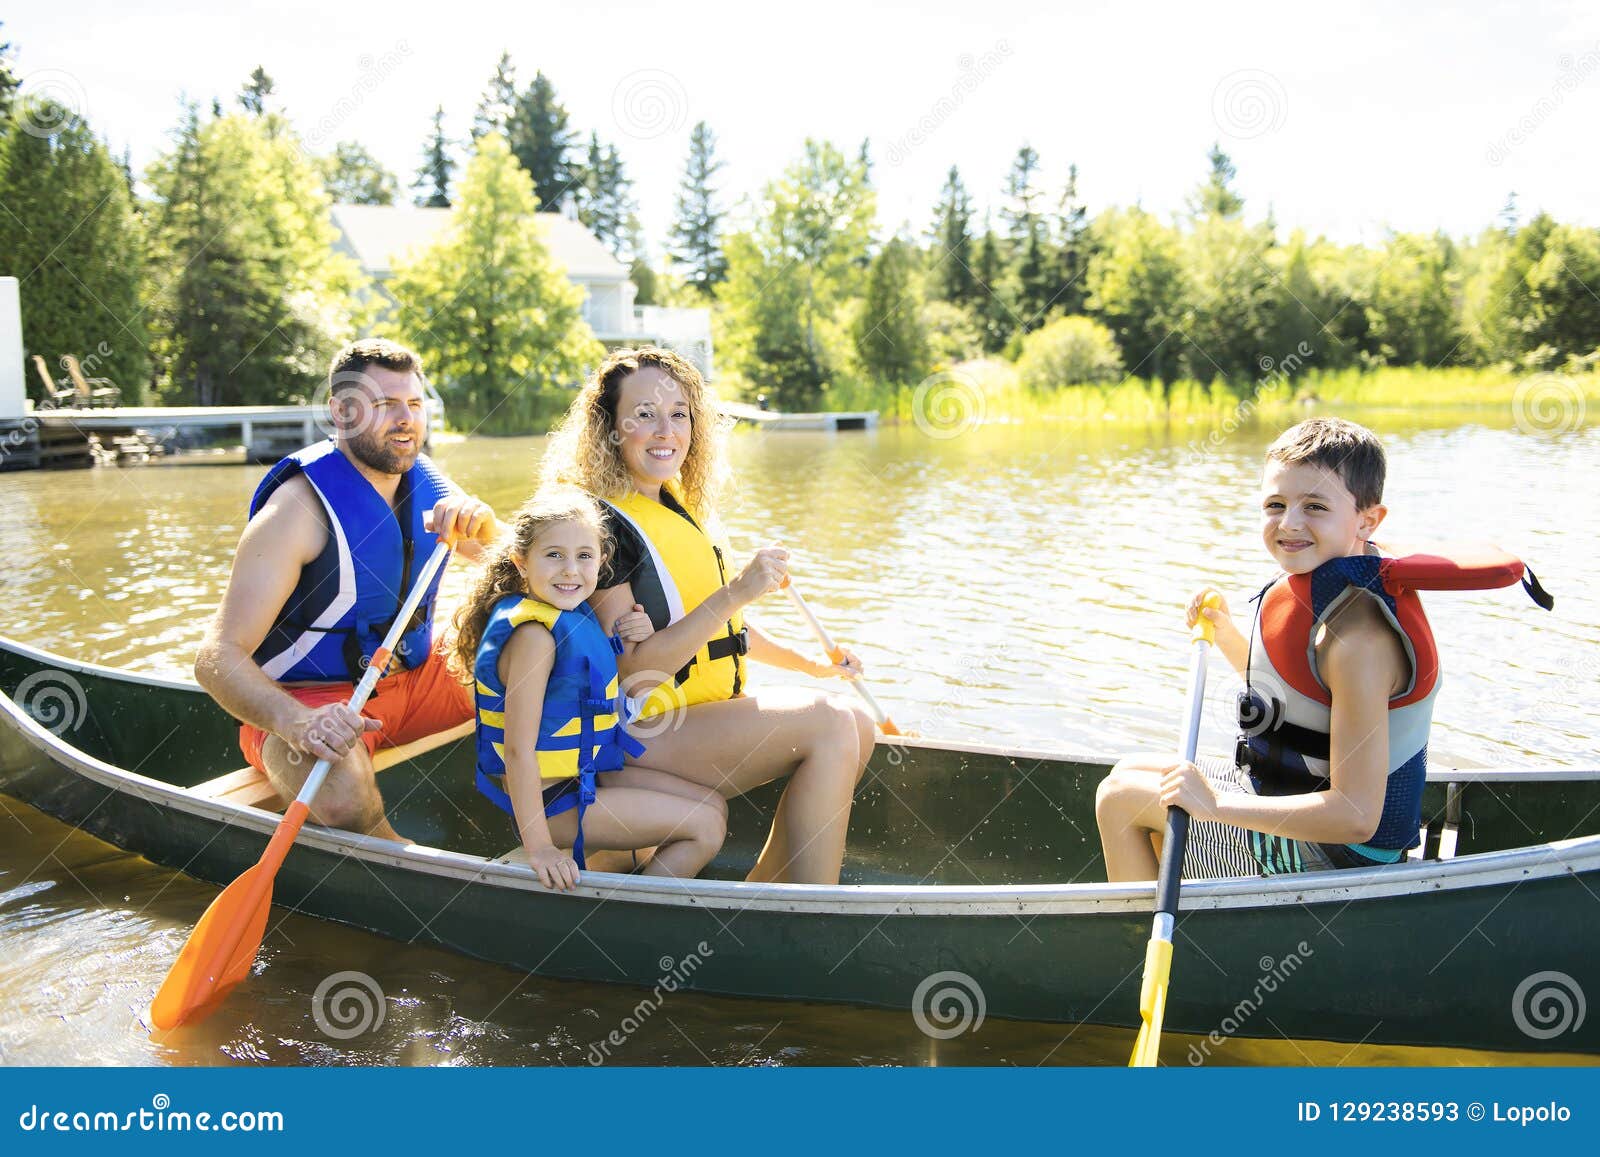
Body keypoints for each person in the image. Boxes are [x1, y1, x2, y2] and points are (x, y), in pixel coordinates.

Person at [1095, 417, 1551, 881]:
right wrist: (1228, 632)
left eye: (1314, 506)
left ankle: (1141, 940)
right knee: (1129, 771)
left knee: (1122, 801)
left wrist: (1214, 807)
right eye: (1276, 504)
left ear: (1367, 520)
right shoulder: (1333, 585)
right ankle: (1186, 897)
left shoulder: (1358, 643)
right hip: (1298, 808)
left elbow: (1355, 815)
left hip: (1339, 856)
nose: (1290, 523)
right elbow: (1296, 698)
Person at [541, 347, 875, 885]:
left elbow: (726, 633)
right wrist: (736, 592)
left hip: (692, 722)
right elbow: (634, 669)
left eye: (678, 414)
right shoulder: (594, 525)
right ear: (609, 428)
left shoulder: (677, 504)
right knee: (832, 722)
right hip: (638, 729)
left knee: (855, 721)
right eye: (644, 414)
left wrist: (814, 666)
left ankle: (767, 894)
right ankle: (815, 911)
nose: (665, 430)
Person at [195, 338, 500, 841]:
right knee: (337, 794)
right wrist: (297, 724)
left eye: (415, 404)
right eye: (384, 405)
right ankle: (402, 863)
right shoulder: (295, 511)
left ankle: (555, 813)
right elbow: (215, 657)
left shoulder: (426, 481)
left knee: (540, 645)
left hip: (418, 681)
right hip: (314, 702)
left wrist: (490, 532)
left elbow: (531, 572)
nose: (406, 420)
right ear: (341, 411)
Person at [454, 490, 727, 890]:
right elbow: (518, 751)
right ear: (521, 562)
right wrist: (541, 848)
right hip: (551, 806)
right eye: (554, 556)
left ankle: (625, 881)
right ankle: (638, 919)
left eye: (584, 556)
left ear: (601, 563)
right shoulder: (534, 637)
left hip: (583, 775)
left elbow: (594, 670)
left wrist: (637, 631)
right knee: (705, 827)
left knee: (714, 805)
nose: (570, 571)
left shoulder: (572, 610)